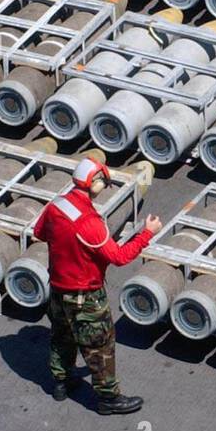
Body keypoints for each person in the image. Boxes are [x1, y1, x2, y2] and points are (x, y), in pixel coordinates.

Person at [31, 156, 161, 414]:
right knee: (99, 346)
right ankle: (108, 399)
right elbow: (120, 257)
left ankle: (61, 382)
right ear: (95, 183)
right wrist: (147, 233)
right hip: (85, 296)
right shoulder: (90, 223)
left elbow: (39, 233)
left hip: (58, 289)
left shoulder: (57, 206)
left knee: (61, 336)